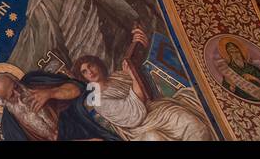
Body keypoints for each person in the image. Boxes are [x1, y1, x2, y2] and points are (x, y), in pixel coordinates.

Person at [75, 27, 212, 139]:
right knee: (162, 134)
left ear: (98, 65)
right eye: (85, 72)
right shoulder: (98, 100)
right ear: (84, 78)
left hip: (155, 111)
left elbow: (139, 72)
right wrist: (133, 77)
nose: (90, 72)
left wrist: (140, 43)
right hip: (140, 127)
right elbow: (133, 115)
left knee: (194, 125)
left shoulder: (116, 77)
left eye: (91, 66)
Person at [0, 69, 119, 140]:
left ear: (17, 80)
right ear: (4, 101)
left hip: (78, 126)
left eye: (16, 86)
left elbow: (77, 88)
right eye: (11, 95)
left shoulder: (33, 80)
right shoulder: (9, 126)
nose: (18, 94)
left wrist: (51, 93)